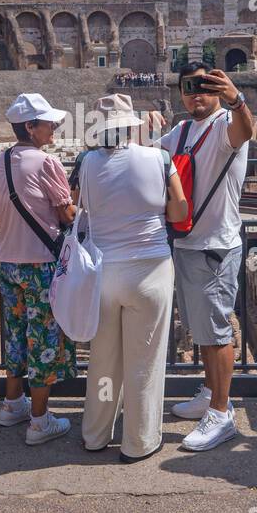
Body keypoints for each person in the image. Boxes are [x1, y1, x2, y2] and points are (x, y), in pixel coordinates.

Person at [77, 94, 188, 462]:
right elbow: (180, 208)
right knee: (145, 360)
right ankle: (138, 442)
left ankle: (95, 435)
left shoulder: (86, 162)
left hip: (104, 272)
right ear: (130, 126)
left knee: (103, 358)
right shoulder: (159, 158)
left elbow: (82, 207)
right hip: (149, 268)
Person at [157, 63, 254, 451]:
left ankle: (221, 411)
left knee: (215, 331)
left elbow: (246, 131)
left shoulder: (224, 125)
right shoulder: (179, 132)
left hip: (216, 245)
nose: (197, 94)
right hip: (185, 243)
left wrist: (238, 100)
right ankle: (210, 391)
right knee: (201, 327)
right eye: (189, 87)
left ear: (219, 90)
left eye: (206, 86)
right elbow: (146, 156)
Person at [0, 93, 77, 444]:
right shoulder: (46, 163)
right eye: (48, 123)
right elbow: (66, 213)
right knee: (44, 339)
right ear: (30, 127)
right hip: (41, 264)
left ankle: (12, 406)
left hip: (8, 262)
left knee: (16, 333)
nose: (54, 127)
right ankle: (39, 422)